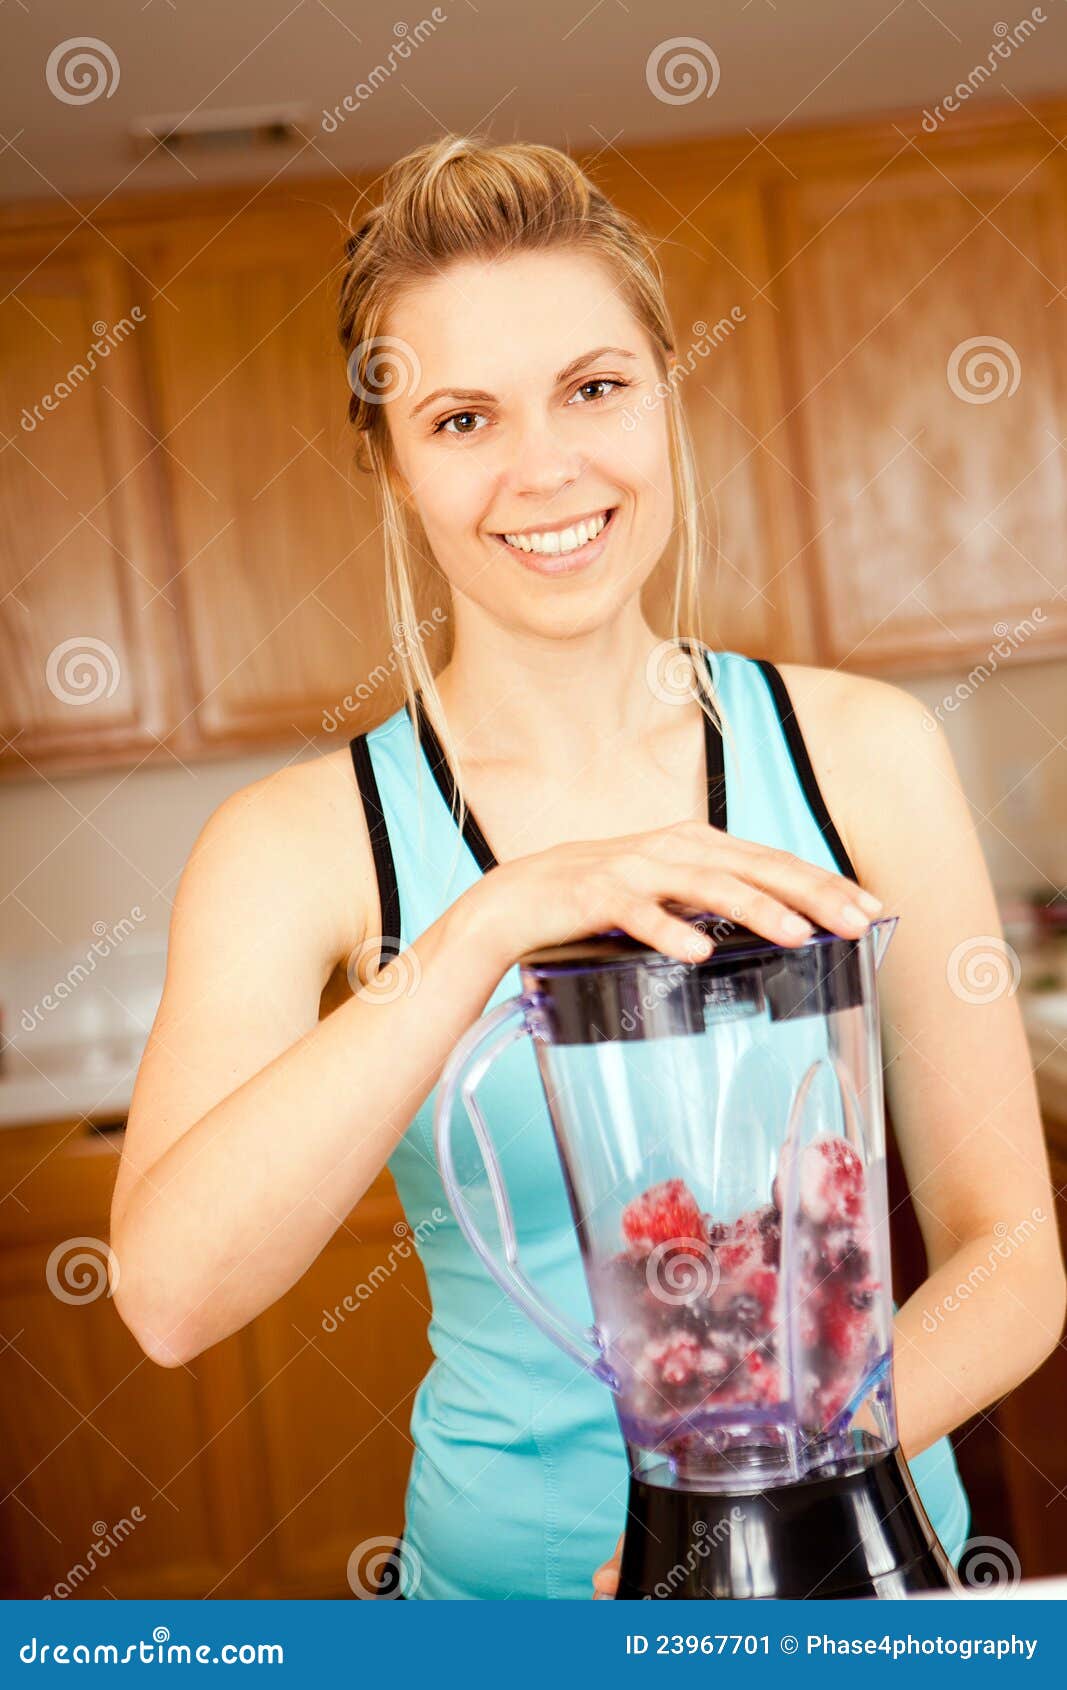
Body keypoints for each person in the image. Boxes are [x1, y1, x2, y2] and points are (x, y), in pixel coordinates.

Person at [110, 132, 1065, 1602]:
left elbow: (1012, 1256)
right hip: (507, 1606)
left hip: (860, 1586)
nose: (545, 466)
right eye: (462, 418)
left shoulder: (861, 754)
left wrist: (737, 1504)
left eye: (594, 388)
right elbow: (174, 1296)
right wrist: (495, 918)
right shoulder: (296, 845)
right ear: (390, 462)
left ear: (667, 395)